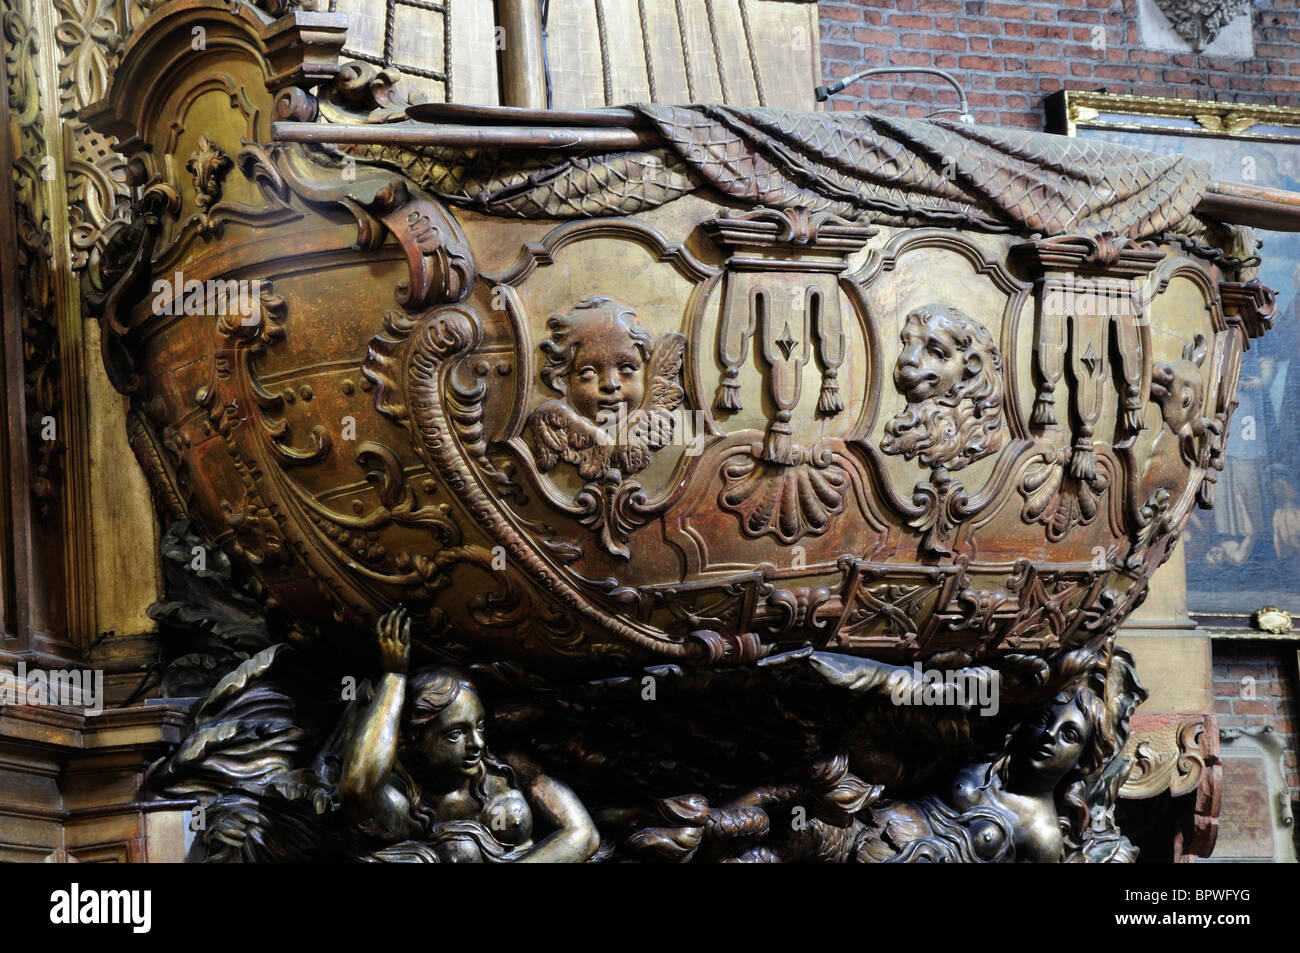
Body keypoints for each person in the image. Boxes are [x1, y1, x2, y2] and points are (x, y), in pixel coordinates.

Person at [339, 608, 600, 862]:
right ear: (411, 742)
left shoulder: (510, 768)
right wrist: (394, 677)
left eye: (480, 727)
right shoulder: (402, 803)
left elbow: (583, 834)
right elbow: (358, 787)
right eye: (455, 734)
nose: (477, 744)